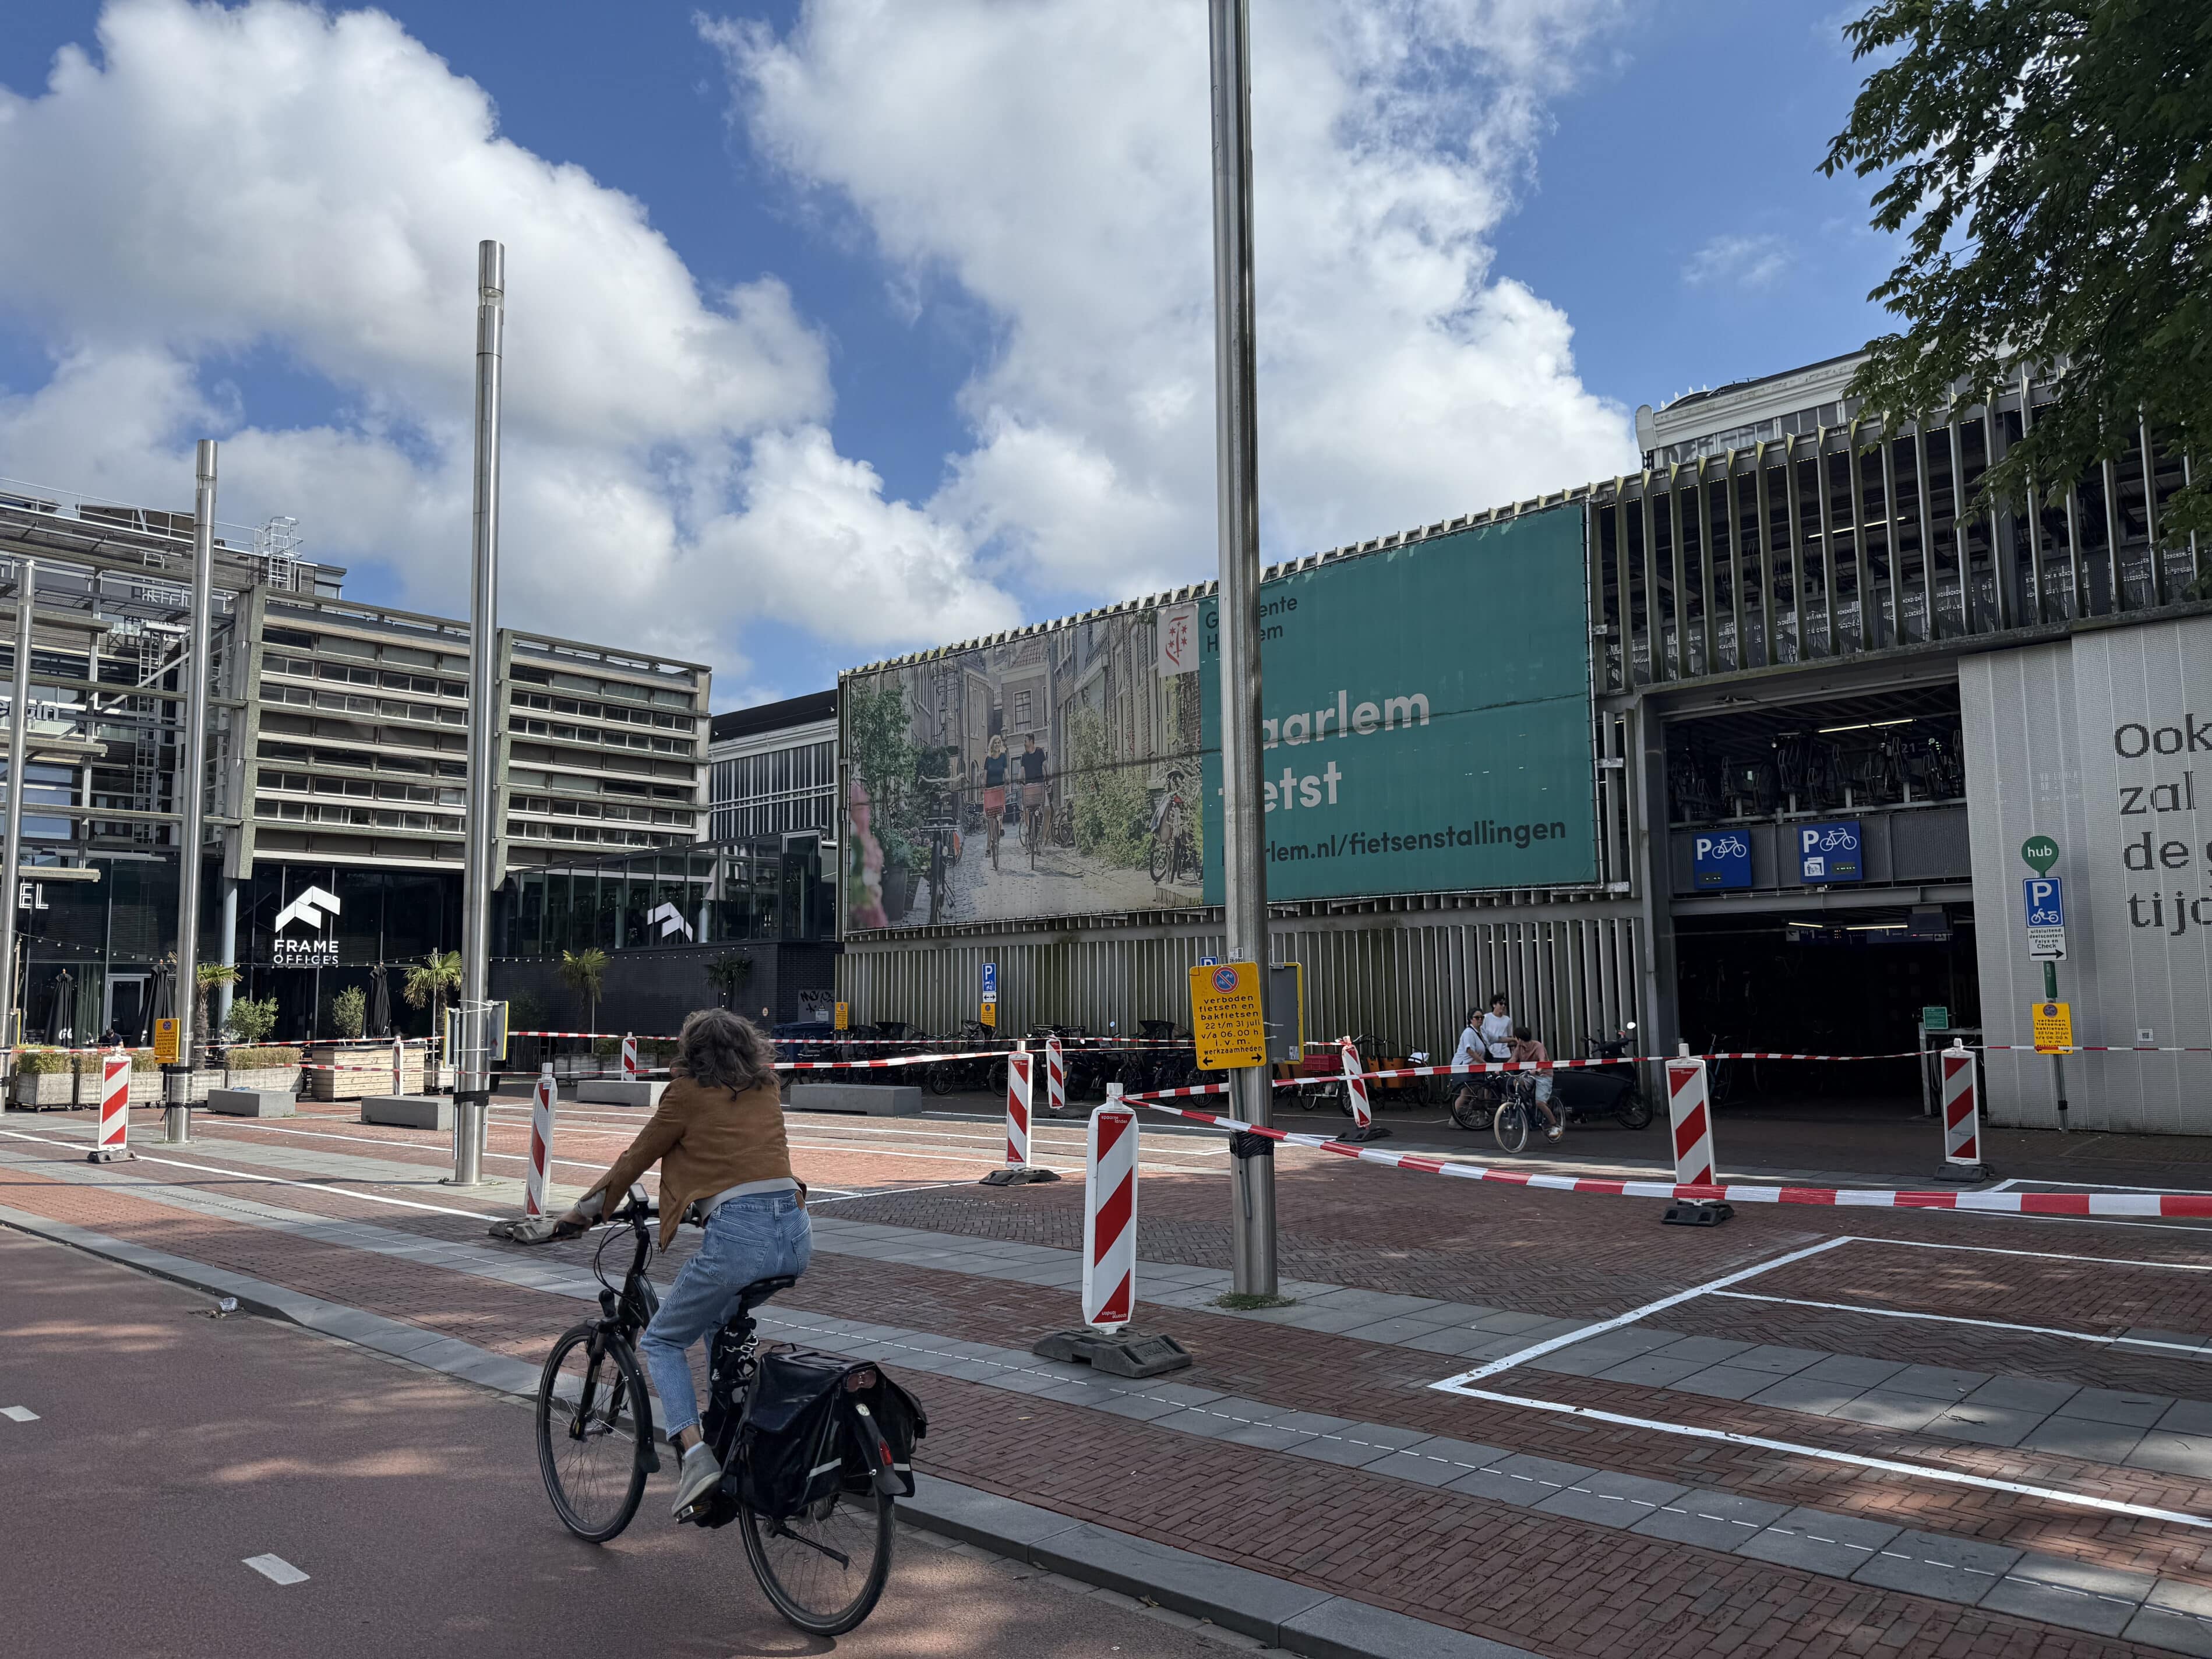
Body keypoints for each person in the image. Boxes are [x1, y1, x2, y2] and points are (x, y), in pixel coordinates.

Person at [527, 1007, 811, 1520]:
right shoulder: (766, 1088)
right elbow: (739, 1157)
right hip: (795, 1234)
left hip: (739, 1238)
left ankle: (696, 1455)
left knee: (662, 1340)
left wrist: (581, 1214)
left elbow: (635, 1159)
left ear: (691, 1051)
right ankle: (735, 1424)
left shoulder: (685, 1094)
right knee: (720, 1320)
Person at [1511, 1025, 1561, 1142]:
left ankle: (1555, 1126)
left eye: (1515, 1038)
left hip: (1543, 1075)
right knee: (1516, 1081)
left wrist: (1537, 1070)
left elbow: (1542, 1061)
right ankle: (1526, 1103)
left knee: (1540, 1103)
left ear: (1519, 1039)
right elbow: (1513, 1060)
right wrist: (1500, 1069)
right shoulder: (1519, 1047)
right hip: (1529, 1075)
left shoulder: (1538, 1046)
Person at [981, 734, 1009, 869]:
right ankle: (989, 845)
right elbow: (985, 775)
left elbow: (1006, 772)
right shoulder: (988, 759)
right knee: (990, 819)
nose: (997, 744)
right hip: (990, 790)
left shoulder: (1003, 757)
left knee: (999, 813)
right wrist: (983, 786)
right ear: (992, 745)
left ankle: (1000, 828)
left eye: (999, 742)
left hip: (999, 789)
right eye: (995, 743)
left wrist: (1008, 780)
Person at [1018, 732, 1049, 848]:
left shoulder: (1040, 752)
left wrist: (1049, 777)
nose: (1024, 743)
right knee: (1026, 807)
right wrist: (1020, 780)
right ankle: (1027, 828)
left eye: (1025, 741)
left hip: (1040, 786)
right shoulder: (1024, 756)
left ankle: (1043, 839)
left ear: (1031, 741)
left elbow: (1046, 766)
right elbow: (1022, 771)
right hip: (1029, 788)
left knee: (1047, 810)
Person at [1479, 993, 1514, 1060]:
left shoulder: (1508, 1020)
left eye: (1505, 1004)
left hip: (1506, 1054)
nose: (1503, 1006)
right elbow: (1481, 1034)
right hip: (1491, 1054)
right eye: (1501, 1004)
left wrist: (1513, 1052)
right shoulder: (1486, 1018)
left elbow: (1510, 1036)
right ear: (1494, 1005)